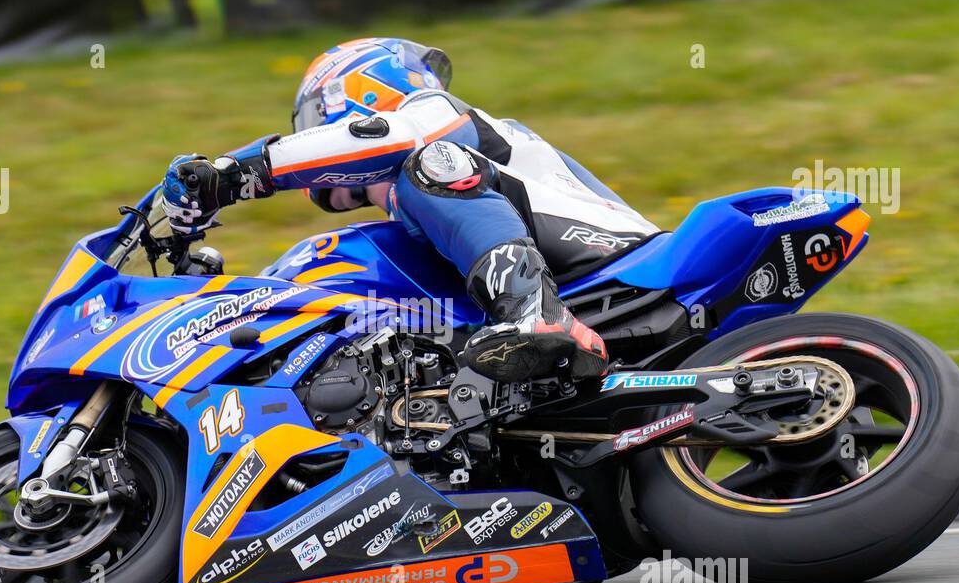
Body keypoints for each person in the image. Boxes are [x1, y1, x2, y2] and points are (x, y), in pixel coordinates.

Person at [160, 37, 658, 382]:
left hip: (611, 261)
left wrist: (236, 173)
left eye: (315, 120)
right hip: (584, 276)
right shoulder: (431, 214)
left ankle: (534, 311)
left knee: (428, 164)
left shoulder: (433, 116)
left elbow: (385, 141)